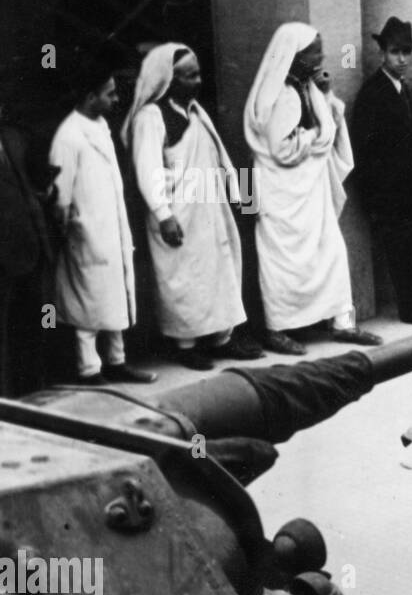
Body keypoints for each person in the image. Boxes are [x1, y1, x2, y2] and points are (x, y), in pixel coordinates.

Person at [123, 43, 261, 371]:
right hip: (178, 214)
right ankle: (185, 345)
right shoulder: (151, 117)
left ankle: (222, 339)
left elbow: (223, 158)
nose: (197, 81)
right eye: (188, 76)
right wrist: (164, 214)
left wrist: (246, 198)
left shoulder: (197, 111)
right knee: (183, 279)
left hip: (209, 211)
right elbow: (148, 169)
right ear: (168, 80)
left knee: (216, 274)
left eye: (198, 74)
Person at [244, 24, 379, 353]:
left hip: (310, 193)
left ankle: (343, 322)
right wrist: (316, 136)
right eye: (313, 51)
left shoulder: (307, 87)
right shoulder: (278, 95)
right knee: (281, 264)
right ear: (293, 56)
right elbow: (283, 149)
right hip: (281, 195)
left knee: (332, 251)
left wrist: (327, 96)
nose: (320, 56)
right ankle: (277, 328)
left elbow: (328, 122)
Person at [49, 57, 156, 384]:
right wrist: (71, 229)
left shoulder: (100, 126)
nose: (116, 99)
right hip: (86, 234)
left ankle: (116, 361)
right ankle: (88, 369)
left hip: (110, 230)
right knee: (88, 306)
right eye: (109, 94)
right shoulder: (68, 136)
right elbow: (60, 195)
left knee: (113, 297)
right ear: (89, 96)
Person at [349, 17, 412, 327]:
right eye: (394, 52)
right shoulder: (373, 94)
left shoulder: (404, 88)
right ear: (382, 54)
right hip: (388, 189)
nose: (401, 59)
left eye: (406, 52)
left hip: (410, 185)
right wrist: (377, 195)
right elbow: (364, 150)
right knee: (401, 250)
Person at [0, 99, 55, 396]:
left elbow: (32, 186)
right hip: (3, 261)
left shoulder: (13, 137)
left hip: (30, 252)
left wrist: (47, 191)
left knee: (32, 330)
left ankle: (33, 395)